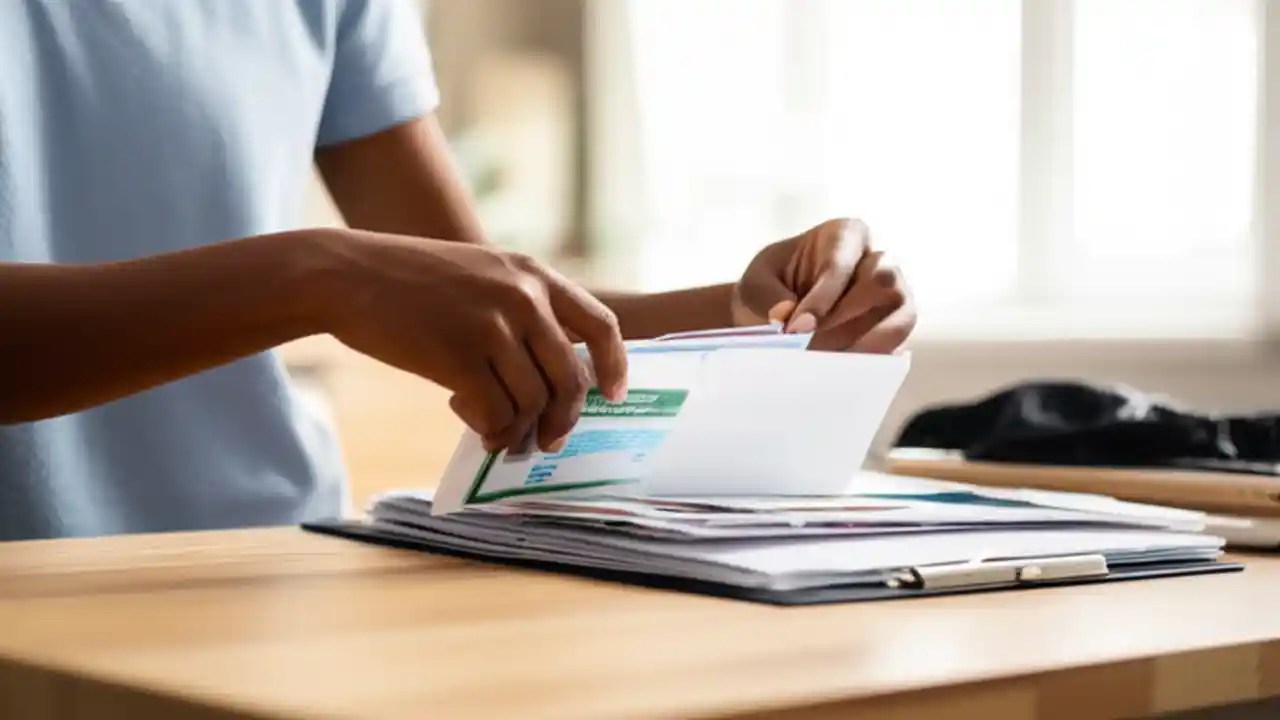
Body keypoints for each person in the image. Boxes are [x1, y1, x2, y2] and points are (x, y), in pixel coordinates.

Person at [0, 0, 915, 541]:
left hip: (272, 566)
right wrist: (319, 275)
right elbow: (358, 275)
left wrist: (748, 316)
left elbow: (497, 301)